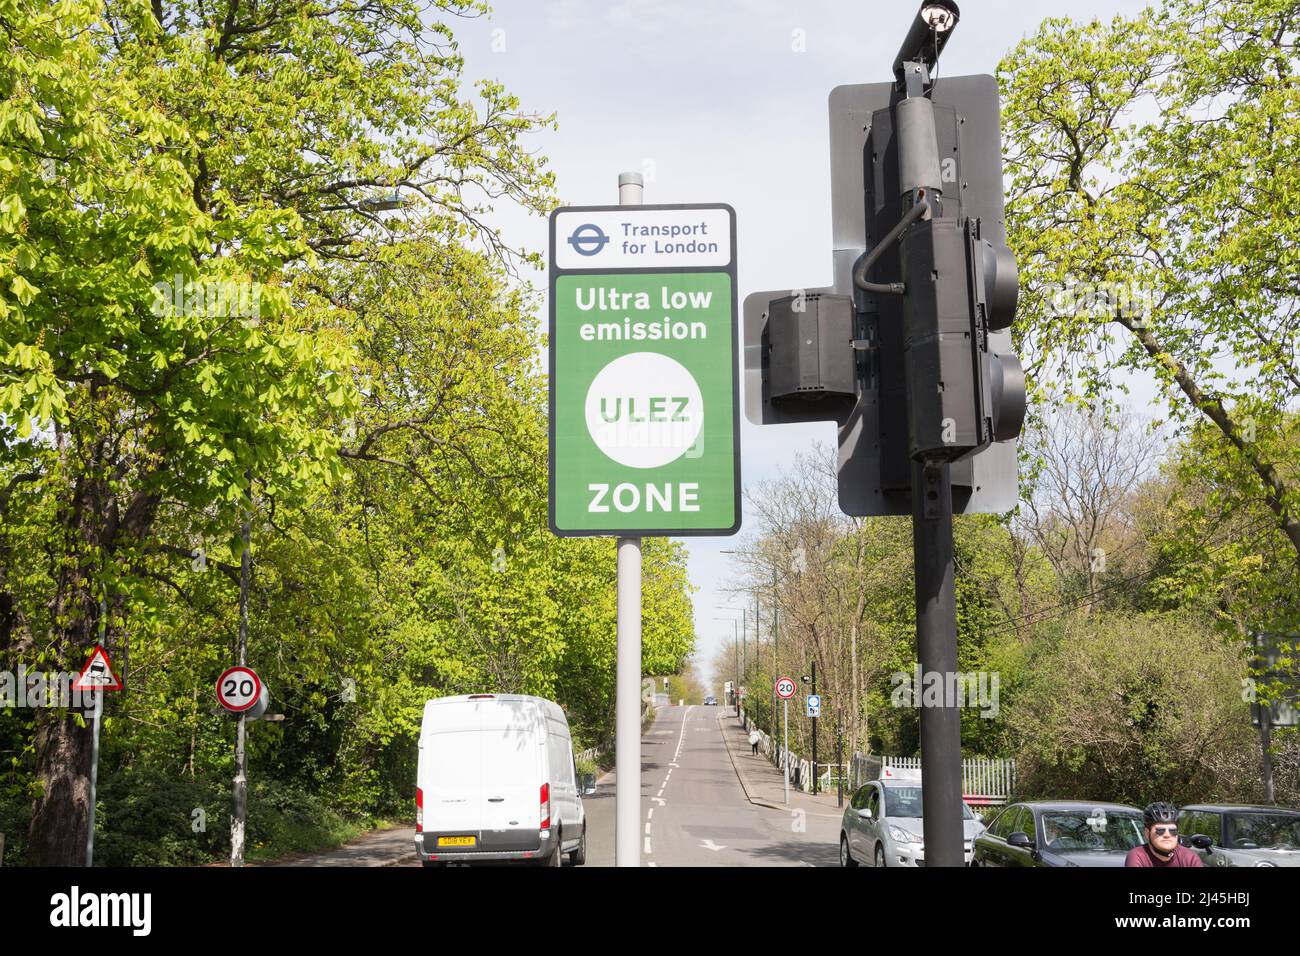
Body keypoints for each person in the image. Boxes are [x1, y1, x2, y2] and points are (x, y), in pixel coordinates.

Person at [1124, 802, 1204, 867]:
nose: (1167, 835)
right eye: (1160, 830)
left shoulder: (1190, 858)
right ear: (1147, 833)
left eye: (1173, 831)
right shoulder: (1137, 856)